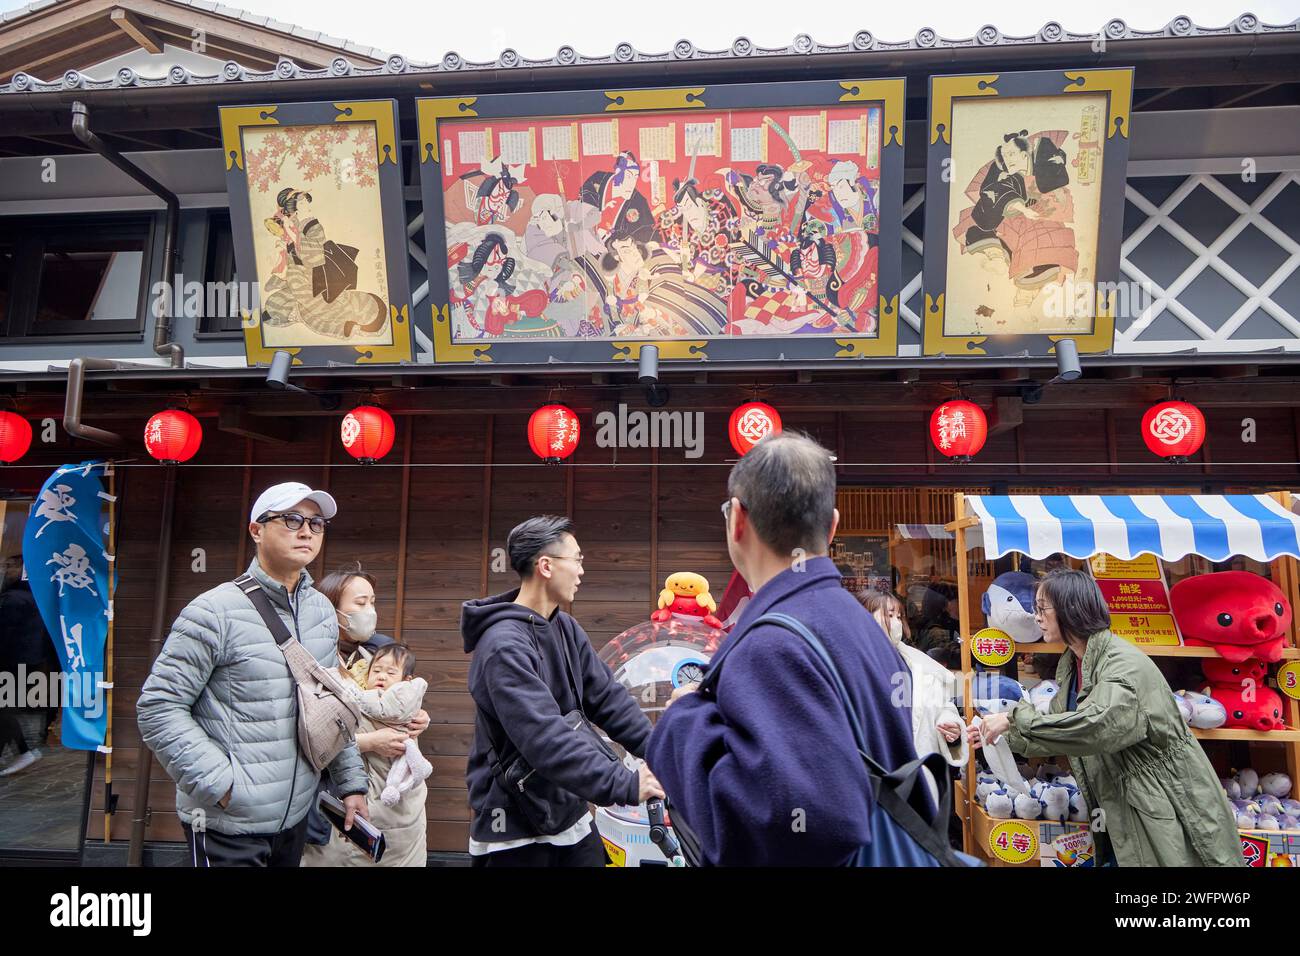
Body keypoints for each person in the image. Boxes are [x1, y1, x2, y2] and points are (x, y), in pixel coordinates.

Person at [646, 432, 919, 866]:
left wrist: (683, 719)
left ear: (737, 520)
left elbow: (796, 826)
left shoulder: (772, 644)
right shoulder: (859, 626)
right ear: (831, 526)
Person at [137, 482, 369, 867]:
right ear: (256, 530)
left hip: (294, 817)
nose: (307, 530)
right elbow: (159, 707)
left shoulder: (321, 612)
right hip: (227, 823)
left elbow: (330, 706)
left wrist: (351, 784)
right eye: (292, 519)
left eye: (317, 523)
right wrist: (221, 785)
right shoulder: (213, 611)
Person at [968, 569, 1244, 867]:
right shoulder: (1075, 663)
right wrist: (995, 735)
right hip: (1121, 802)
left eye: (1042, 608)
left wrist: (1013, 720)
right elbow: (1062, 728)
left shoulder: (1121, 664)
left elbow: (1096, 727)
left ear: (1070, 609)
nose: (1036, 617)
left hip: (1165, 797)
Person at [461, 515, 662, 867]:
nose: (583, 570)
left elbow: (608, 699)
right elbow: (544, 737)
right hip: (514, 828)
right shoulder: (502, 646)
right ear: (546, 566)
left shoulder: (564, 627)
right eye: (578, 559)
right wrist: (625, 784)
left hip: (566, 810)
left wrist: (661, 752)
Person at [301, 563, 429, 866]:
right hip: (335, 795)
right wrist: (370, 742)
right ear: (330, 609)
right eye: (360, 603)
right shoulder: (307, 657)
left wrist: (420, 717)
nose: (370, 611)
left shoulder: (384, 650)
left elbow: (403, 699)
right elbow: (304, 731)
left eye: (372, 602)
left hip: (396, 799)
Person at [311, 644, 431, 867]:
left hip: (396, 807)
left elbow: (396, 706)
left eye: (390, 672)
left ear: (406, 680)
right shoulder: (320, 649)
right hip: (351, 797)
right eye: (376, 671)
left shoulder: (377, 648)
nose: (382, 676)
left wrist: (422, 717)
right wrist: (369, 742)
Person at [857, 589, 966, 802]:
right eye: (889, 615)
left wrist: (950, 726)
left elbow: (943, 707)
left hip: (916, 779)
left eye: (899, 616)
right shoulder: (847, 666)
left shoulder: (919, 666)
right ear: (863, 617)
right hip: (867, 783)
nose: (896, 623)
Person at [0, 555, 56, 775]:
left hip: (12, 661)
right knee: (5, 708)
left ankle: (24, 751)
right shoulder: (32, 596)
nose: (5, 569)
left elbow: (5, 636)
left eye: (10, 566)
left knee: (4, 709)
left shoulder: (14, 598)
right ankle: (23, 751)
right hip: (27, 661)